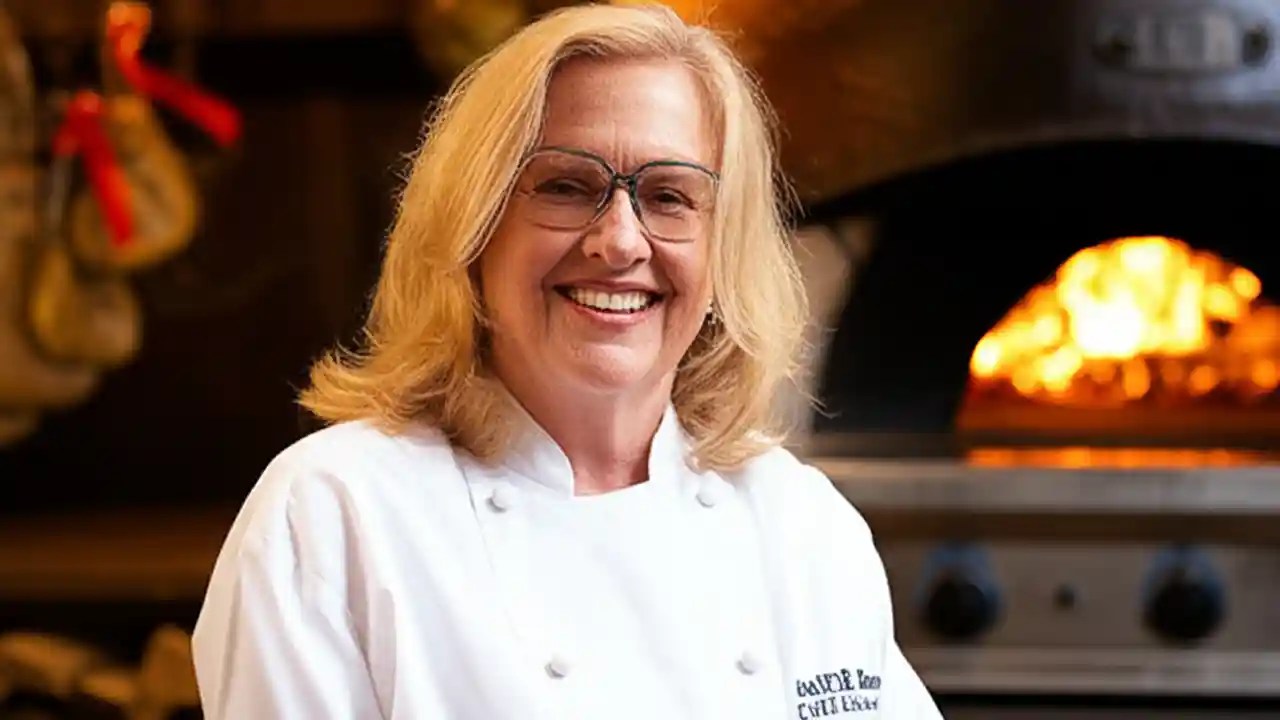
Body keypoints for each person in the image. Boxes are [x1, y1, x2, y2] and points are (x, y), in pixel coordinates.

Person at [190, 3, 943, 718]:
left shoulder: (799, 522)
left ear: (723, 254)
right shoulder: (334, 514)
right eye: (565, 185)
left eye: (670, 196)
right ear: (474, 231)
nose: (619, 242)